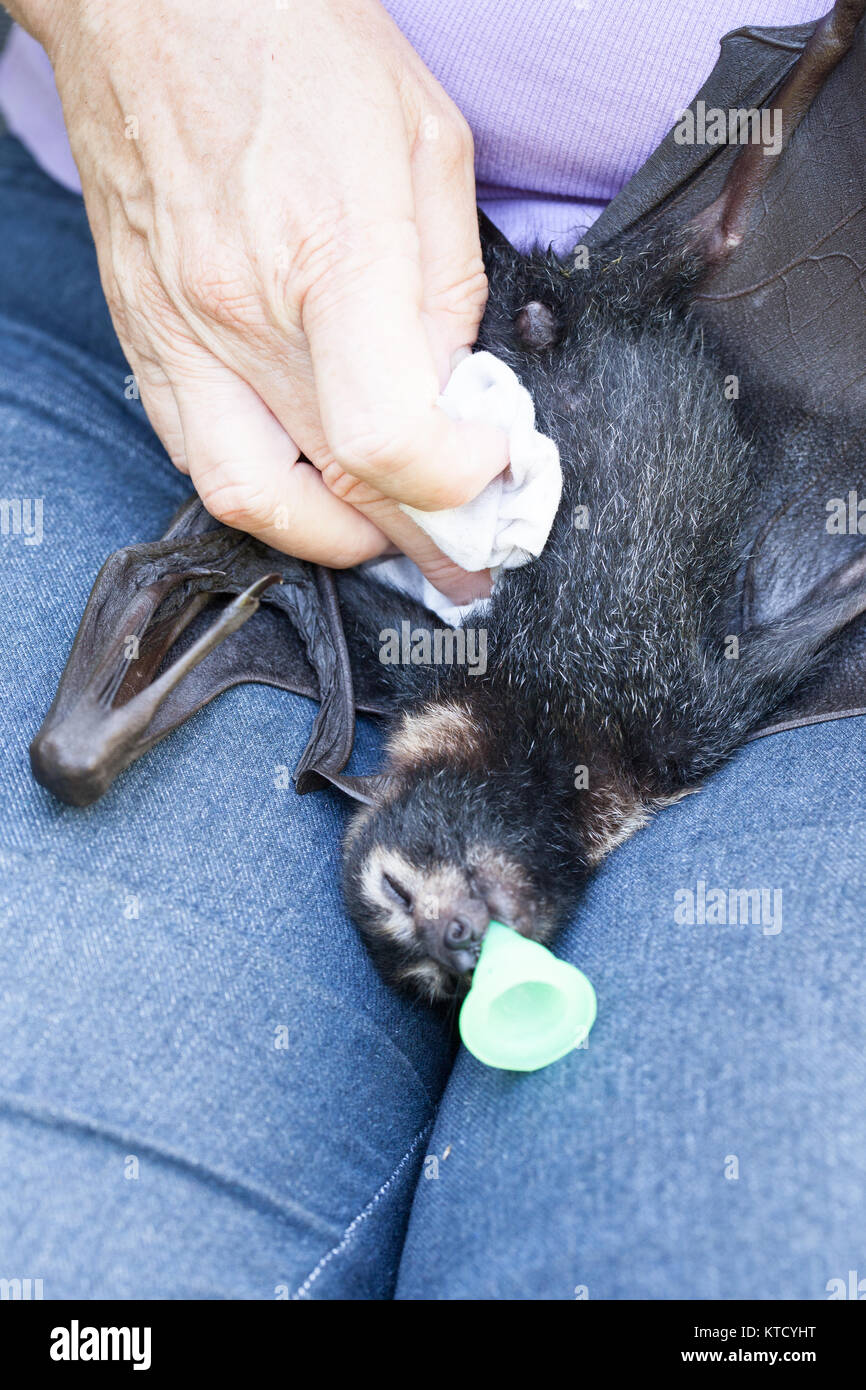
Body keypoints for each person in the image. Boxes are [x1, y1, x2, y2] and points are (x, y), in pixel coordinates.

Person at [0, 0, 862, 1300]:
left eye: (410, 911)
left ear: (382, 815)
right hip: (166, 265)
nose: (456, 930)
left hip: (295, 428)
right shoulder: (648, 734)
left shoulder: (426, 691)